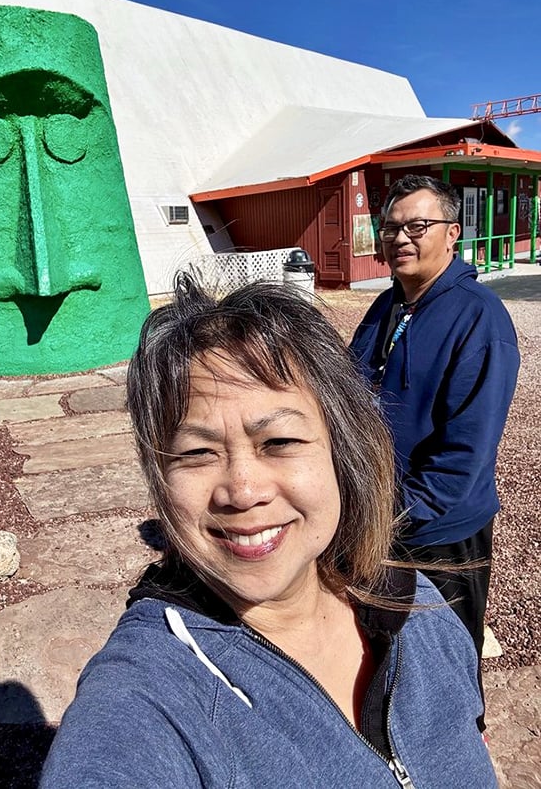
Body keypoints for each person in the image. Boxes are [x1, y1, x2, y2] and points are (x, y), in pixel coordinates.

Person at [40, 274, 496, 788]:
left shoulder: (419, 608)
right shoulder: (147, 699)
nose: (242, 489)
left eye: (278, 441)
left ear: (343, 452)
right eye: (195, 452)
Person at [350, 174, 519, 722]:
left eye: (417, 226)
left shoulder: (479, 316)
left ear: (452, 234)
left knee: (446, 656)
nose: (400, 238)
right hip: (375, 517)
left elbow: (462, 456)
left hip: (440, 531)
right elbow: (349, 393)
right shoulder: (386, 307)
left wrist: (395, 516)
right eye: (391, 227)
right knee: (385, 650)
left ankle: (465, 745)